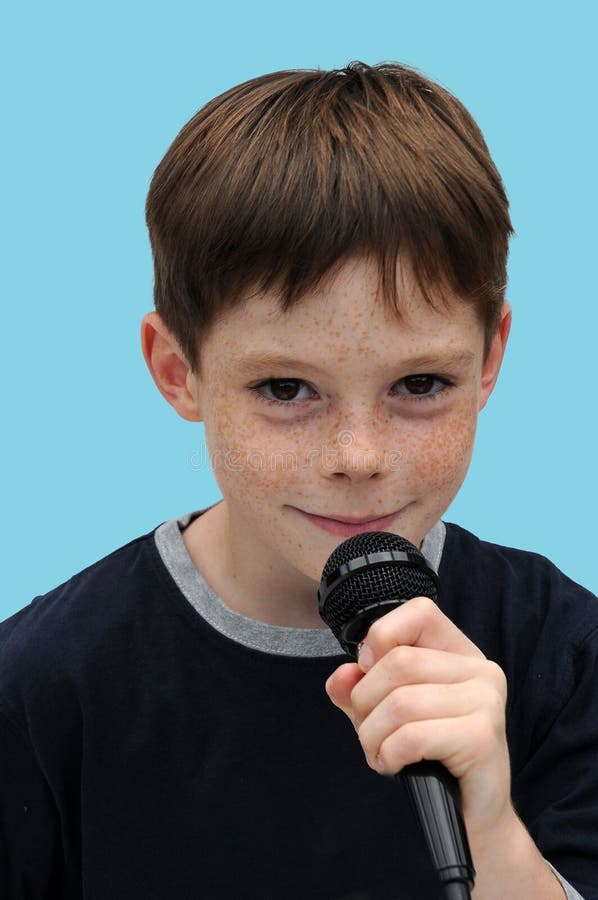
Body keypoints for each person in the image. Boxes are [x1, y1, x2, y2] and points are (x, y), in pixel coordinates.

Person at [1, 60, 596, 900]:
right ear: (179, 372)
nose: (358, 455)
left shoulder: (569, 657)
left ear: (491, 358)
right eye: (286, 389)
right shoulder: (39, 686)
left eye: (419, 385)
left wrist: (493, 832)